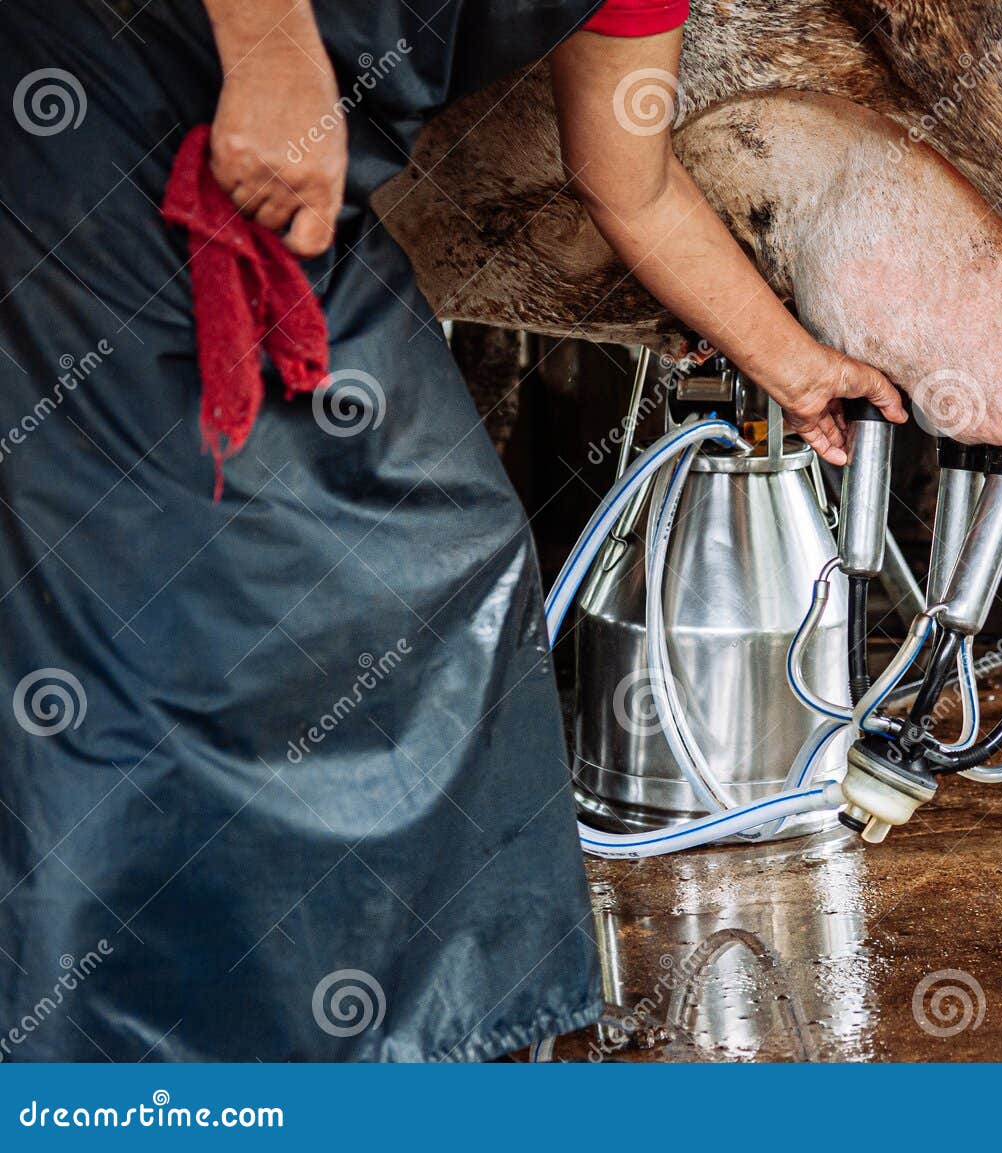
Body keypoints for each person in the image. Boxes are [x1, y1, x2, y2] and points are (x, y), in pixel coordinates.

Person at [0, 0, 901, 1061]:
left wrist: (796, 366)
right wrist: (274, 52)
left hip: (284, 182)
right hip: (92, 108)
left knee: (453, 545)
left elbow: (630, 181)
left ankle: (421, 1044)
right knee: (167, 602)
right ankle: (116, 1055)